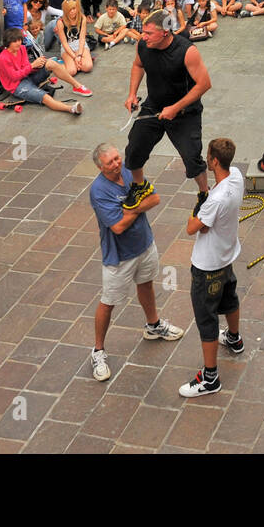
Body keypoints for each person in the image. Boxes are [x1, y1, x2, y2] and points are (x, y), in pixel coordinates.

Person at [87, 142, 185, 383]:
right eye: (110, 162)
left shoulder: (130, 172)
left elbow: (155, 198)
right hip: (119, 257)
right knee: (108, 302)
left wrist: (129, 208)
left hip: (144, 244)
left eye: (117, 158)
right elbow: (118, 227)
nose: (117, 163)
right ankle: (98, 351)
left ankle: (153, 325)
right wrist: (137, 207)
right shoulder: (99, 191)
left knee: (146, 284)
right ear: (100, 167)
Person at [122, 10, 214, 214]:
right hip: (153, 106)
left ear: (165, 32)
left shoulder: (187, 51)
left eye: (148, 33)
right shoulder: (143, 45)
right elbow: (138, 65)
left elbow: (204, 84)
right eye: (143, 32)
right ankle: (139, 187)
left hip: (184, 112)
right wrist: (132, 94)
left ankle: (205, 193)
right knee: (134, 150)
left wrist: (176, 108)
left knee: (192, 158)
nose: (143, 37)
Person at [179, 137, 244, 398]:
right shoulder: (237, 176)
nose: (207, 158)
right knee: (230, 298)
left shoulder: (214, 200)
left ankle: (210, 378)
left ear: (214, 160)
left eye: (208, 155)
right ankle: (235, 338)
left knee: (206, 320)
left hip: (207, 267)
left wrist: (196, 213)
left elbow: (192, 228)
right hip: (227, 257)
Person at [0, 28, 88, 114]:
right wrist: (32, 66)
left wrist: (38, 64)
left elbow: (25, 67)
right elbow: (14, 77)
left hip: (27, 77)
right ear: (8, 42)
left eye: (19, 40)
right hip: (16, 86)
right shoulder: (3, 58)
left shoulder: (22, 48)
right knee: (44, 97)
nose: (18, 43)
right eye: (15, 41)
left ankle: (77, 86)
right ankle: (71, 109)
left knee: (50, 63)